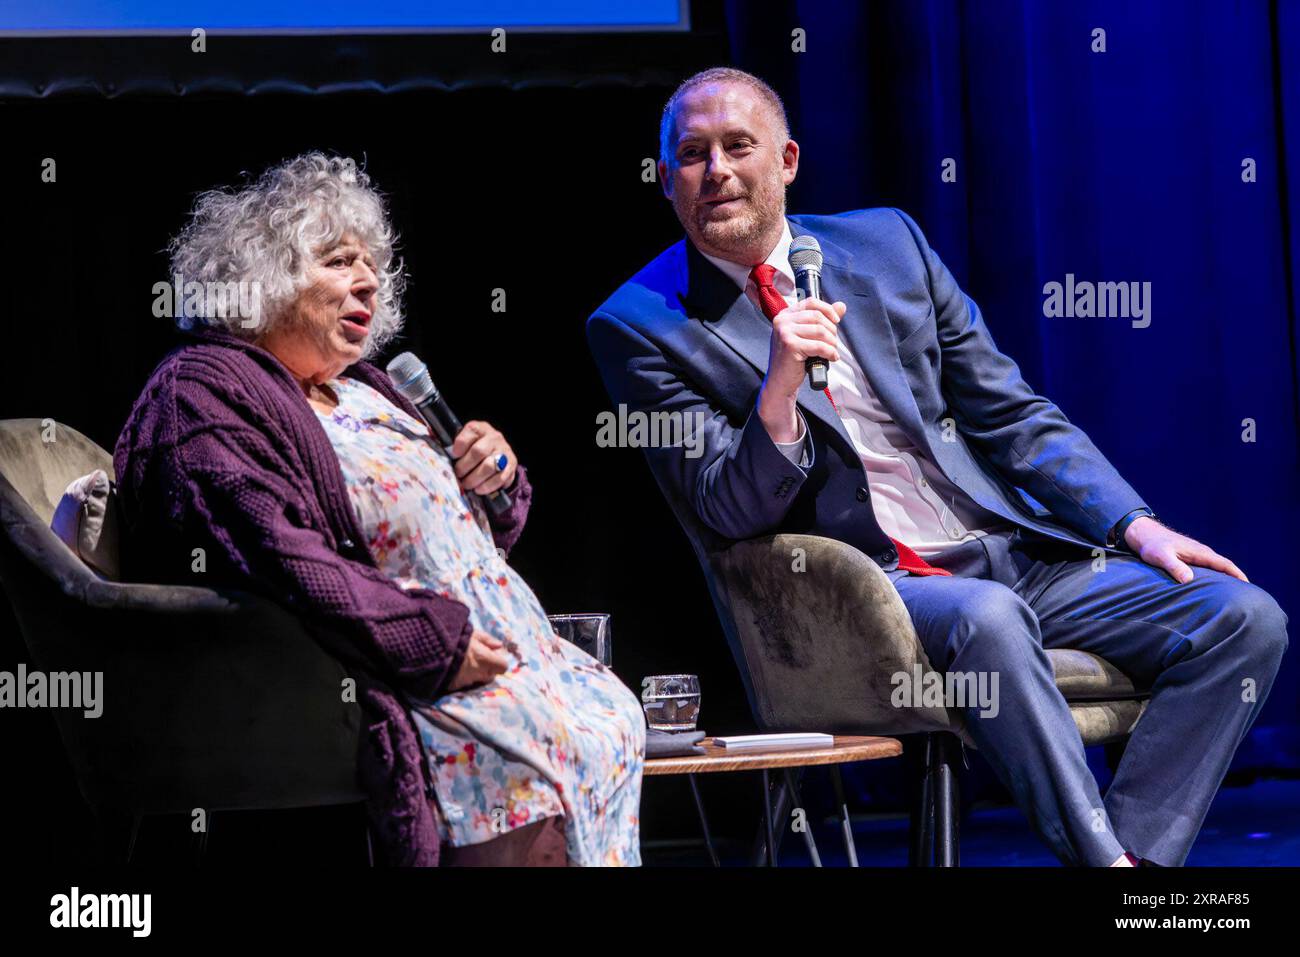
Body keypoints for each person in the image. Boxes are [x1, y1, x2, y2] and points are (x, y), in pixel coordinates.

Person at [585, 67, 1288, 866]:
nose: (716, 171)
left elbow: (1010, 410)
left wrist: (1135, 525)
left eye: (737, 146)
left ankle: (1138, 863)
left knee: (1243, 618)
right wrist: (777, 396)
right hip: (869, 588)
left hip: (1009, 555)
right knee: (987, 616)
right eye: (691, 154)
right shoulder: (639, 323)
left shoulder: (889, 246)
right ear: (667, 182)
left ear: (786, 160)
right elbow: (722, 505)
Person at [115, 152, 644, 866]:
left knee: (614, 717)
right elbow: (276, 551)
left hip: (505, 651)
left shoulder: (367, 387)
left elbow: (468, 537)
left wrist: (496, 479)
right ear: (262, 278)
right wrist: (429, 643)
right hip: (392, 671)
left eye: (372, 264)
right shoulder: (204, 392)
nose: (368, 280)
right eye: (338, 261)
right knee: (531, 744)